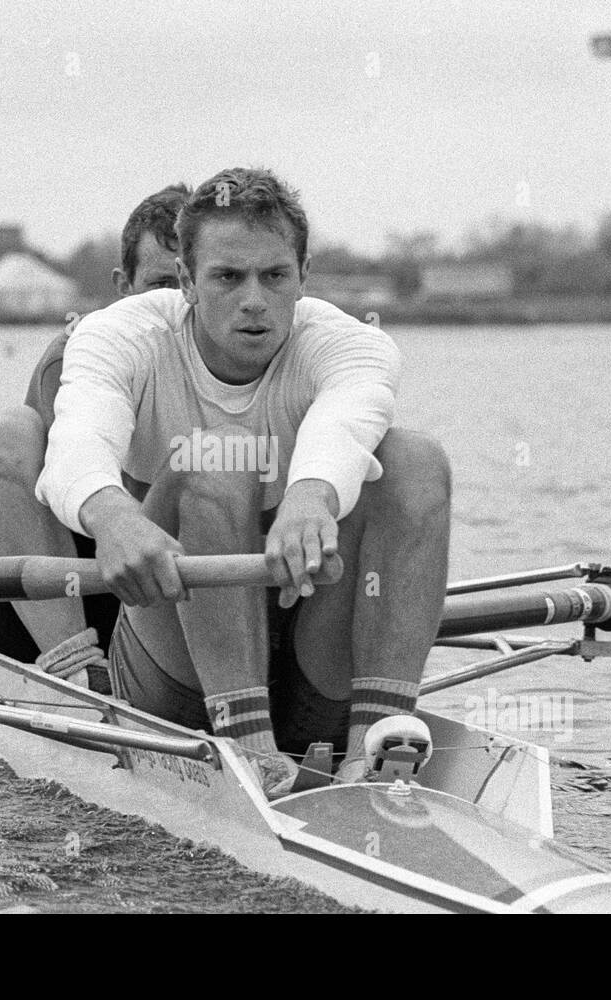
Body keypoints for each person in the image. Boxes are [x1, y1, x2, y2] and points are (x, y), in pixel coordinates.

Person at [35, 168, 452, 798]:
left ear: (303, 276)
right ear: (186, 283)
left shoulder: (351, 345)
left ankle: (374, 748)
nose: (254, 299)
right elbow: (75, 447)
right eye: (228, 277)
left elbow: (344, 424)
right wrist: (116, 520)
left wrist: (311, 498)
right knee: (213, 458)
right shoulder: (120, 336)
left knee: (417, 460)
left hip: (307, 645)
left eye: (274, 276)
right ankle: (253, 754)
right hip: (178, 674)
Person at [0, 183, 189, 689]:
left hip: (157, 599)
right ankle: (78, 671)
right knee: (8, 432)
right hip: (52, 593)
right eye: (161, 286)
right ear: (123, 285)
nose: (177, 307)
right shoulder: (74, 358)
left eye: (189, 287)